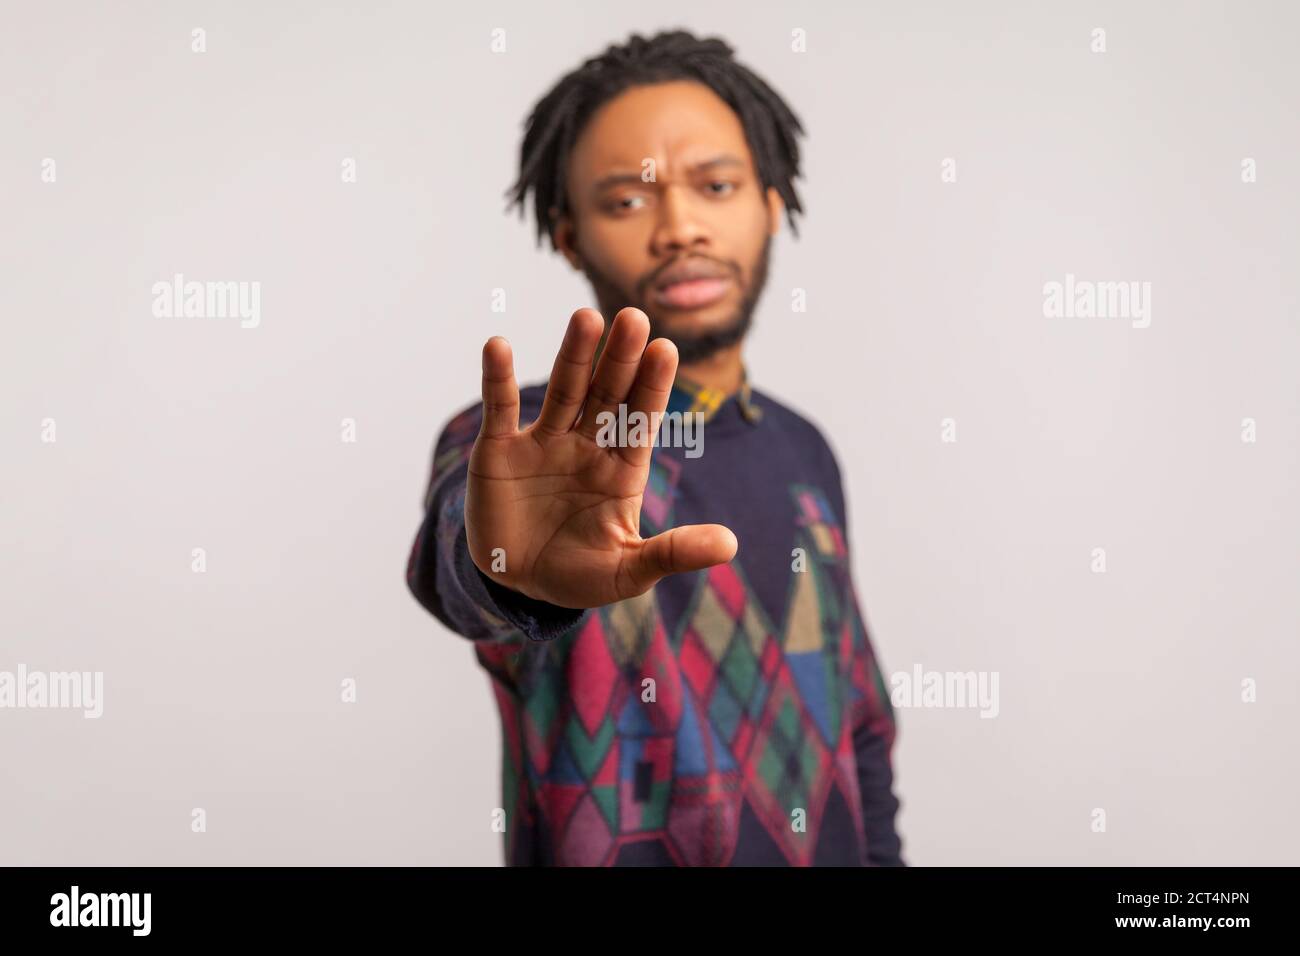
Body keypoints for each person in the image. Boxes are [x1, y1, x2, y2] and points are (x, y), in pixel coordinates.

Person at [407, 30, 904, 866]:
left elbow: (858, 727)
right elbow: (460, 566)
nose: (679, 226)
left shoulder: (804, 450)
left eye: (716, 184)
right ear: (568, 236)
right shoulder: (519, 445)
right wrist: (509, 570)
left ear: (771, 203)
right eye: (627, 200)